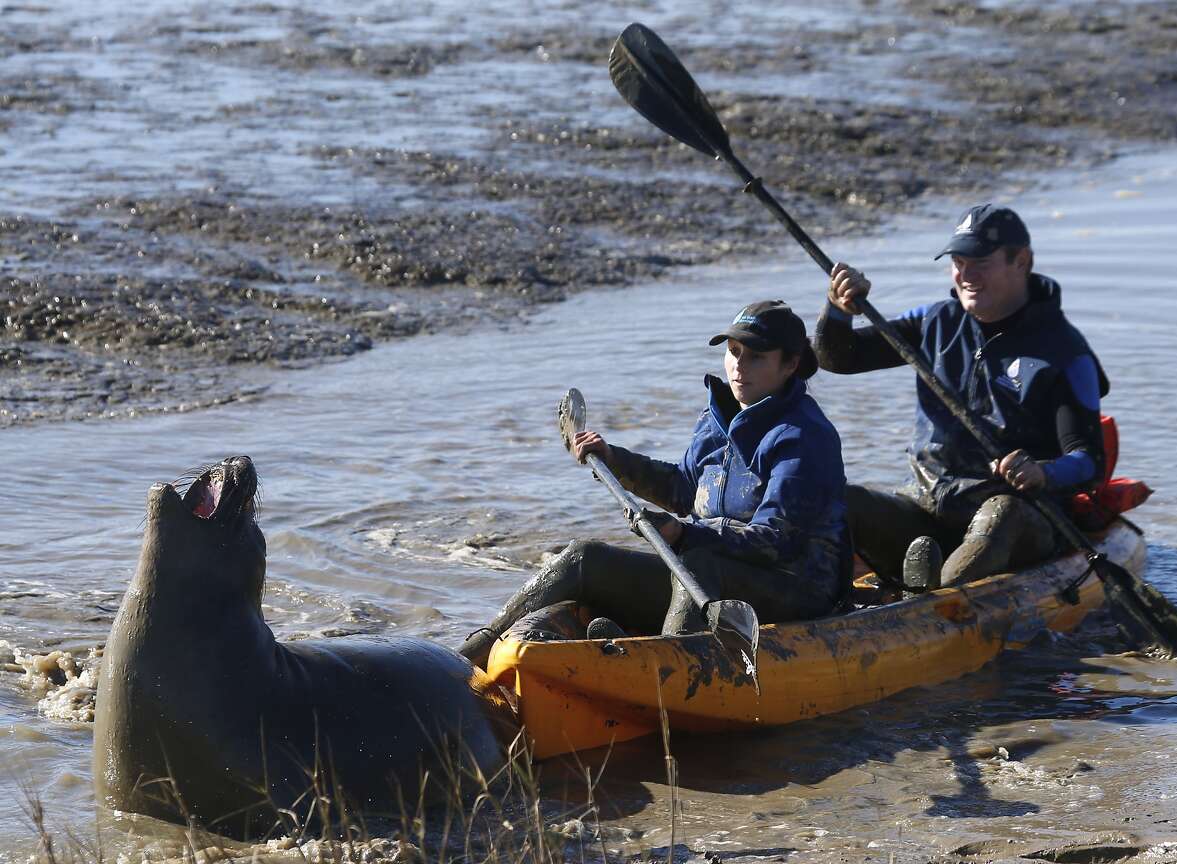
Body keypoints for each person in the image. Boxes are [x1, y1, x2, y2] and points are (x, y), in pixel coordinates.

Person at [460, 300, 851, 668]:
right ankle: (465, 662)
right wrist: (613, 458)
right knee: (583, 557)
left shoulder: (804, 437)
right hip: (709, 576)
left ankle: (665, 667)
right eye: (733, 352)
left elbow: (776, 542)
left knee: (696, 562)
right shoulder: (717, 418)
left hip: (797, 588)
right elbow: (682, 488)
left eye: (756, 357)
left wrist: (684, 534)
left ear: (790, 364)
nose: (739, 366)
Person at [813, 203, 1108, 591]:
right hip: (927, 503)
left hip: (1014, 517)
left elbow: (1090, 462)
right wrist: (839, 310)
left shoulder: (1066, 352)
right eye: (958, 262)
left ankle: (929, 601)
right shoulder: (935, 321)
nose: (966, 275)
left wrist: (1043, 471)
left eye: (980, 263)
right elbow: (839, 359)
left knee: (1003, 513)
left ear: (1021, 261)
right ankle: (822, 599)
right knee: (839, 499)